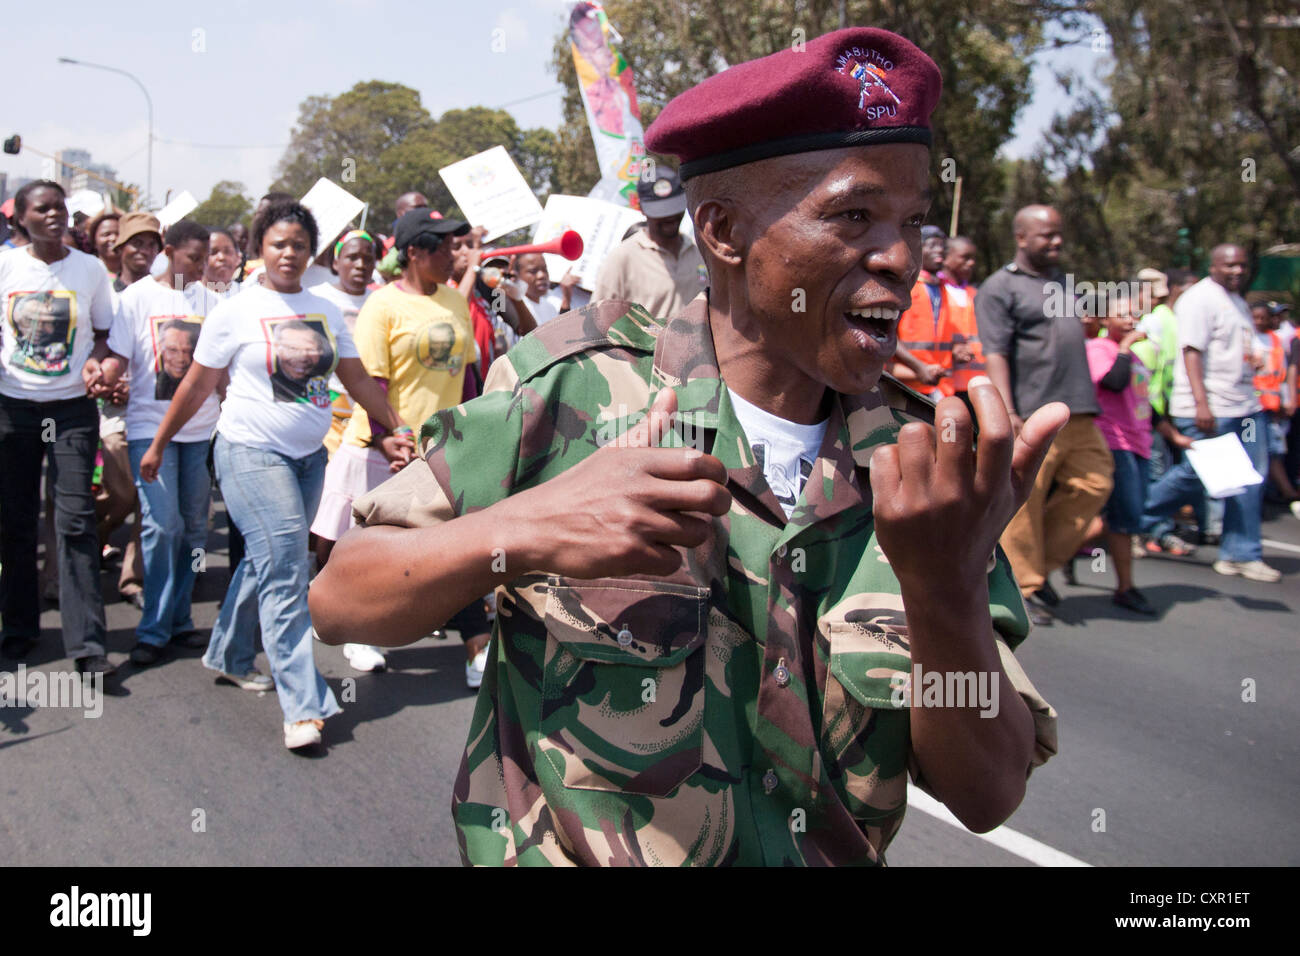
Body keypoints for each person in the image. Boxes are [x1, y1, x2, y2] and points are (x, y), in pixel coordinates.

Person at [311, 27, 1061, 867]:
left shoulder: (920, 464)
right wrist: (521, 533)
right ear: (724, 231)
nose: (899, 259)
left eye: (912, 222)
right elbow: (343, 598)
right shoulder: (570, 388)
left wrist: (945, 589)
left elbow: (987, 793)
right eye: (853, 215)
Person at [139, 199, 414, 750]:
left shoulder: (325, 309)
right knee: (288, 564)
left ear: (313, 251)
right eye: (278, 243)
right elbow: (195, 384)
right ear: (258, 248)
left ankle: (232, 653)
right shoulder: (236, 310)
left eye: (299, 245)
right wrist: (160, 442)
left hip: (308, 458)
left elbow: (357, 380)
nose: (289, 254)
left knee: (268, 560)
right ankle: (303, 705)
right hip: (247, 453)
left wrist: (395, 426)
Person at [310, 210, 490, 681]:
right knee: (372, 548)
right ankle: (358, 630)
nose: (455, 256)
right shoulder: (382, 306)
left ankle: (477, 648)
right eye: (445, 248)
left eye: (457, 246)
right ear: (414, 253)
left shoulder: (454, 300)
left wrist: (473, 428)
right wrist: (391, 436)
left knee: (458, 547)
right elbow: (369, 381)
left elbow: (465, 372)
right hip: (383, 447)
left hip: (443, 449)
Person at [976, 205, 1114, 625]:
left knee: (1095, 484)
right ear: (1021, 237)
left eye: (1059, 234)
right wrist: (1008, 409)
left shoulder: (1065, 284)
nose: (1056, 242)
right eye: (1046, 235)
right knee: (1025, 502)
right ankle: (1027, 586)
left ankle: (1036, 567)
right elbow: (995, 352)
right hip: (1033, 413)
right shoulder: (1000, 287)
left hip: (1080, 410)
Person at [0, 181, 116, 674]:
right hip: (13, 409)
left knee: (75, 522)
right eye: (43, 209)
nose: (55, 216)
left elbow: (106, 337)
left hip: (70, 411)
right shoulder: (5, 266)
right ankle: (19, 630)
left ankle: (87, 646)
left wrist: (97, 363)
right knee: (16, 524)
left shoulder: (89, 269)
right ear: (21, 219)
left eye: (61, 208)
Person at [99, 220, 224, 665]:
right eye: (193, 257)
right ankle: (152, 628)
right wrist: (105, 374)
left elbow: (220, 369)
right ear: (168, 252)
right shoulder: (134, 299)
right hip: (149, 433)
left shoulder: (212, 300)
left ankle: (180, 619)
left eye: (206, 257)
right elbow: (118, 356)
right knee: (161, 526)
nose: (202, 265)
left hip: (199, 432)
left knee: (195, 531)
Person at [1139, 245, 1280, 582]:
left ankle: (1240, 555)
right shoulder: (1200, 298)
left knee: (1247, 478)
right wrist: (1202, 404)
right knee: (1195, 475)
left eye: (1242, 265)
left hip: (1245, 407)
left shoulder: (1237, 301)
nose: (1237, 271)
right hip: (1211, 408)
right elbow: (1191, 351)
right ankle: (1127, 519)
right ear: (1212, 265)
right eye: (1229, 265)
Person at [1081, 294, 1159, 614]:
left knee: (1124, 514)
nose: (1130, 320)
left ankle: (1061, 554)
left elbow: (1142, 401)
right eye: (1122, 314)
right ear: (1105, 320)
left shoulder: (1137, 357)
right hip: (1114, 441)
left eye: (1133, 315)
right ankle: (1125, 588)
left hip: (1139, 442)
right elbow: (1112, 383)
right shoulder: (1099, 349)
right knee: (1126, 517)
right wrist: (1125, 347)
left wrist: (1172, 434)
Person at [591, 166, 707, 317]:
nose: (670, 217)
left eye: (674, 208)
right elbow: (597, 320)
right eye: (661, 211)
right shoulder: (622, 258)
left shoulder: (700, 250)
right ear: (641, 208)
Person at [309, 229, 379, 456]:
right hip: (324, 415)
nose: (361, 264)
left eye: (368, 259)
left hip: (367, 414)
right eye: (352, 257)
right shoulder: (315, 299)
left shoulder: (382, 302)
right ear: (336, 262)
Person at [1251, 301, 1299, 508]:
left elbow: (1282, 373)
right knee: (1253, 453)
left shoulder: (1275, 341)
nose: (1260, 321)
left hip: (1270, 407)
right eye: (1256, 317)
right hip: (1250, 409)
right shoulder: (1246, 339)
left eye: (1264, 317)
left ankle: (1268, 495)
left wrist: (1287, 400)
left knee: (1273, 451)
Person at [892, 224, 950, 397]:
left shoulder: (943, 288)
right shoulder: (905, 285)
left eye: (942, 246)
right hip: (904, 385)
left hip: (938, 384)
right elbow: (886, 334)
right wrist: (919, 368)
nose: (939, 250)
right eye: (932, 245)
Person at [939, 234, 985, 406]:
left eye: (973, 258)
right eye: (965, 257)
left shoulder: (976, 294)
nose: (971, 263)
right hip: (945, 385)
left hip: (977, 383)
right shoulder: (935, 292)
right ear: (946, 258)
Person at [512, 252, 585, 325]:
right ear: (516, 275)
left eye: (544, 269)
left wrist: (566, 297)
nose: (542, 275)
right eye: (533, 271)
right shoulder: (513, 307)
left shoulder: (549, 307)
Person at [204, 228, 242, 294]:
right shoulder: (187, 296)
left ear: (237, 257)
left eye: (227, 252)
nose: (222, 257)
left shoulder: (248, 297)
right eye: (213, 252)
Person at [86, 210, 122, 278]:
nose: (113, 238)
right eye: (106, 234)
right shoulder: (86, 273)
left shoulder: (138, 273)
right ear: (94, 241)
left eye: (118, 234)